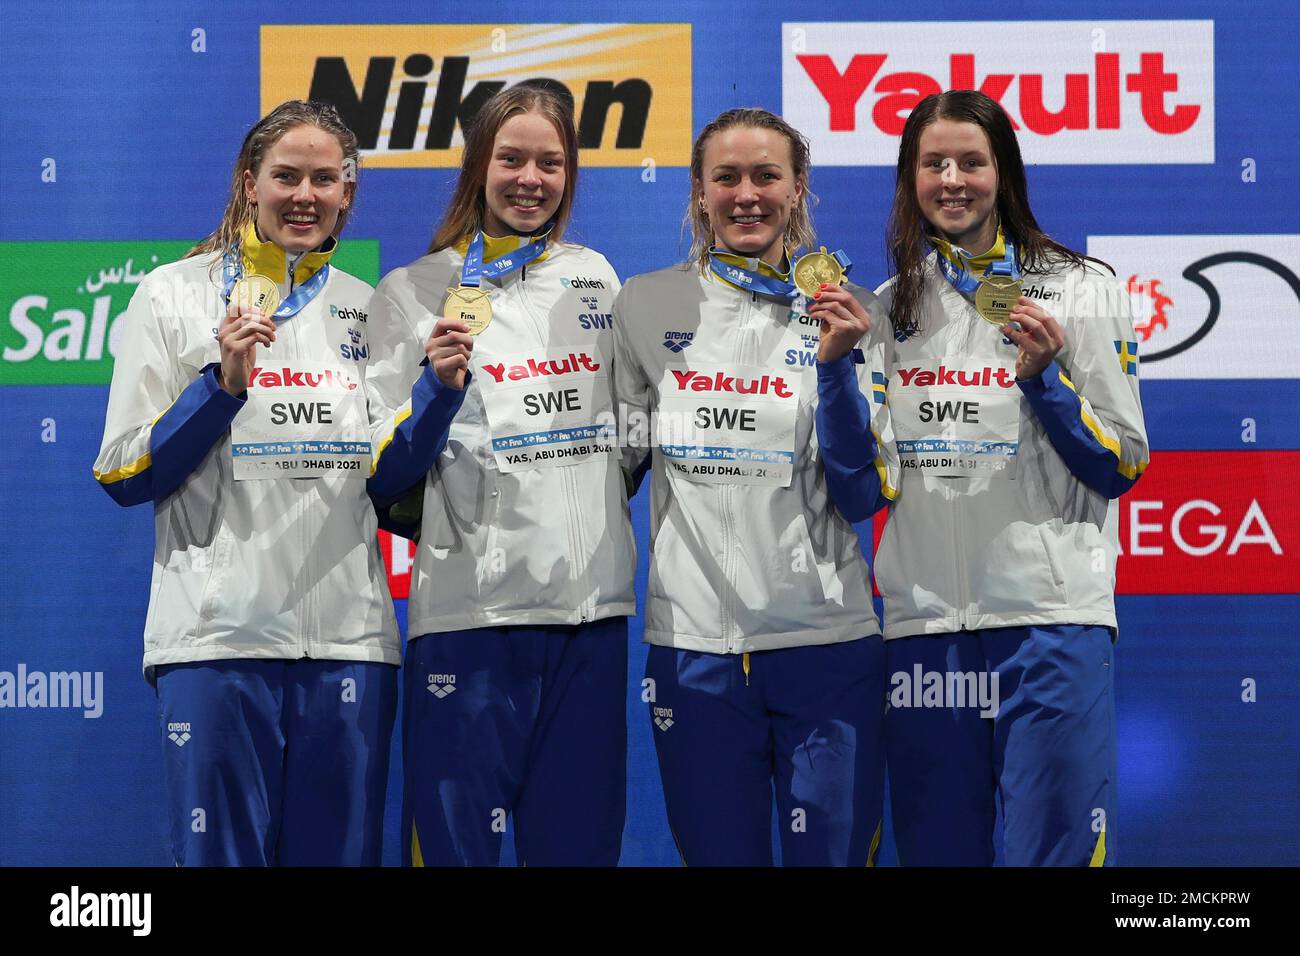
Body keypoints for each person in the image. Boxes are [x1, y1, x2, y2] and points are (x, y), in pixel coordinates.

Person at [816, 89, 1149, 866]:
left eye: (972, 161)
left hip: (1050, 624)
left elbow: (1122, 462)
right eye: (934, 164)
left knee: (1054, 856)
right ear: (910, 179)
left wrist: (1046, 380)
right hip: (926, 633)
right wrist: (835, 376)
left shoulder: (1081, 287)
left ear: (1005, 172)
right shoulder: (894, 308)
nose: (953, 180)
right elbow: (863, 490)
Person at [92, 100, 399, 866]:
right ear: (247, 183)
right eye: (286, 176)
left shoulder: (371, 311)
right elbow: (124, 470)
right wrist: (220, 388)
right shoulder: (171, 294)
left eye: (324, 179)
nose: (305, 195)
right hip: (216, 640)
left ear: (348, 192)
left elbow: (392, 478)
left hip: (349, 645)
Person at [610, 108, 898, 866]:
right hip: (693, 648)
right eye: (726, 177)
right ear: (699, 192)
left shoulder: (853, 311)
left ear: (798, 189)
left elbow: (863, 494)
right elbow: (615, 463)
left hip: (826, 644)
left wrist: (837, 365)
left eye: (767, 176)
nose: (747, 195)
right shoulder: (643, 304)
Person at [363, 84, 634, 866]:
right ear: (479, 166)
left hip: (590, 618)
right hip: (467, 625)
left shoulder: (596, 278)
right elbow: (381, 481)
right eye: (511, 159)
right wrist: (436, 394)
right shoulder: (411, 292)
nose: (531, 179)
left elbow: (629, 446)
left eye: (551, 163)